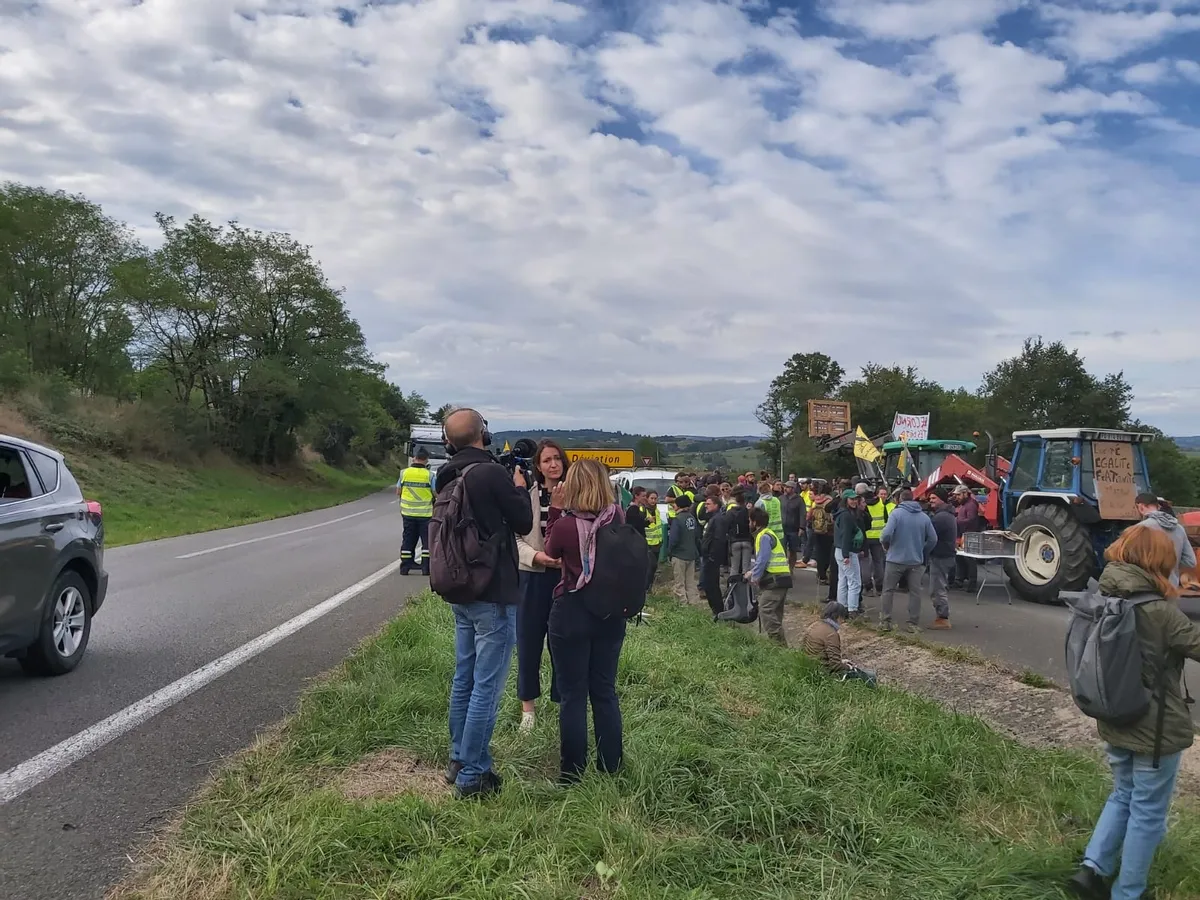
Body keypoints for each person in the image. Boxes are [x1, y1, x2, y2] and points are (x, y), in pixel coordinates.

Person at [1067, 526, 1200, 900]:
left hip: (1112, 716)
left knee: (1123, 793)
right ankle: (1128, 892)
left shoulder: (1103, 596)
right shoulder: (1160, 613)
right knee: (1148, 812)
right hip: (1155, 729)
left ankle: (1093, 870)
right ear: (1158, 561)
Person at [435, 409, 534, 798]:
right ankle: (474, 773)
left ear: (448, 442)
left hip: (461, 588)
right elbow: (523, 522)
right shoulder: (491, 473)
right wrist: (520, 487)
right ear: (484, 434)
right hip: (493, 590)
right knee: (486, 687)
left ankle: (458, 758)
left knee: (464, 678)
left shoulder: (446, 474)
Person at [542, 460, 631, 784]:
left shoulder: (566, 526)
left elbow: (551, 552)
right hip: (610, 613)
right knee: (605, 691)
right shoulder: (616, 518)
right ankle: (611, 766)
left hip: (572, 611)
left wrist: (555, 509)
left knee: (573, 695)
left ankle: (572, 772)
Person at [514, 439, 568, 733]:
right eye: (547, 460)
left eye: (557, 458)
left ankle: (562, 703)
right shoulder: (526, 496)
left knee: (563, 643)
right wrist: (535, 557)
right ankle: (528, 709)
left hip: (565, 578)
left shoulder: (576, 493)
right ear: (538, 465)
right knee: (529, 642)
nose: (553, 464)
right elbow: (515, 538)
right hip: (532, 577)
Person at [878, 488, 937, 633]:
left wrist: (886, 546)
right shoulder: (924, 517)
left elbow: (886, 535)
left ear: (900, 499)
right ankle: (913, 623)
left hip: (895, 559)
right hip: (915, 560)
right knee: (915, 592)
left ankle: (885, 621)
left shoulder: (896, 514)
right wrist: (923, 551)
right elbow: (933, 539)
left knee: (888, 590)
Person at [746, 507, 791, 645]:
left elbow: (762, 559)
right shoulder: (769, 534)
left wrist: (754, 577)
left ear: (755, 522)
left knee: (765, 609)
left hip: (775, 580)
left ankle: (779, 644)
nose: (748, 523)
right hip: (782, 579)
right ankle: (777, 647)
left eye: (750, 520)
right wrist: (753, 572)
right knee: (776, 613)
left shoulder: (764, 536)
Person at [1132, 492, 1196, 587]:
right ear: (1158, 506)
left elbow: (1130, 560)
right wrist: (1172, 565)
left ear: (1140, 507)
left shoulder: (1139, 529)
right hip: (1171, 587)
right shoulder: (1179, 528)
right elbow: (1191, 562)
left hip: (1147, 587)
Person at [802, 602, 875, 684]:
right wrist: (848, 667)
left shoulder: (814, 625)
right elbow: (835, 666)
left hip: (810, 668)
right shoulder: (831, 634)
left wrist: (841, 661)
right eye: (842, 618)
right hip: (824, 673)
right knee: (870, 676)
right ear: (838, 617)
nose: (843, 621)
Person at [397, 448, 434, 576]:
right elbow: (435, 493)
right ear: (426, 460)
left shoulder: (404, 473)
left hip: (407, 513)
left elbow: (398, 491)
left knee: (408, 539)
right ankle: (426, 568)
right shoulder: (430, 475)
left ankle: (405, 567)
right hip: (425, 514)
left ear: (414, 458)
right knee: (427, 541)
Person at [926, 488, 956, 629]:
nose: (930, 501)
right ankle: (942, 616)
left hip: (940, 556)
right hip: (945, 555)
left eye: (933, 498)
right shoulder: (947, 514)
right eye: (930, 498)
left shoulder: (941, 517)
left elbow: (929, 535)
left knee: (937, 589)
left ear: (941, 499)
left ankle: (943, 618)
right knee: (939, 587)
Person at [833, 489, 864, 616]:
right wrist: (846, 555)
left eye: (856, 499)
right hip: (847, 552)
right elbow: (846, 536)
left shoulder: (840, 514)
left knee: (843, 580)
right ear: (845, 500)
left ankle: (842, 608)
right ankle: (852, 610)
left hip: (839, 550)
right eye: (851, 499)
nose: (854, 501)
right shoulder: (847, 516)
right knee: (855, 582)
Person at [700, 495, 730, 618]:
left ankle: (718, 612)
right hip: (709, 556)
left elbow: (719, 539)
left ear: (716, 505)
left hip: (712, 558)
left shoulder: (718, 519)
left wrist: (712, 556)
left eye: (708, 504)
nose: (705, 506)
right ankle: (716, 611)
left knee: (711, 585)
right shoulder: (713, 517)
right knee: (709, 585)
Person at [668, 494, 701, 605]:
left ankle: (682, 604)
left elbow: (673, 539)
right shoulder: (692, 518)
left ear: (679, 505)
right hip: (691, 554)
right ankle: (693, 602)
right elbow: (696, 536)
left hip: (679, 555)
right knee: (690, 582)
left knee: (679, 582)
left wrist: (670, 552)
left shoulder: (677, 519)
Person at [863, 486, 895, 596]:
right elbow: (886, 520)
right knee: (878, 562)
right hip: (878, 537)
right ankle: (879, 587)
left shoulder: (863, 505)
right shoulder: (882, 505)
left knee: (865, 562)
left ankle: (868, 587)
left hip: (865, 537)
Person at [952, 485, 982, 591]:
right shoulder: (966, 504)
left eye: (958, 495)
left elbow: (971, 520)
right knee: (960, 558)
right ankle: (960, 580)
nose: (957, 497)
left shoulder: (971, 505)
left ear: (965, 494)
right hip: (964, 535)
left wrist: (956, 521)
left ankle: (972, 583)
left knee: (969, 559)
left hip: (969, 535)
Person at [808, 482, 835, 586]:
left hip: (817, 529)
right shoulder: (829, 501)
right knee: (827, 553)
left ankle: (821, 575)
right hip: (828, 531)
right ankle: (825, 574)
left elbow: (809, 515)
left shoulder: (816, 501)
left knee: (819, 552)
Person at [726, 486, 753, 583]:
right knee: (746, 568)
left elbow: (727, 526)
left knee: (734, 567)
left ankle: (733, 587)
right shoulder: (748, 511)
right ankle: (747, 587)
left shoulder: (730, 512)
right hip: (747, 541)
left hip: (734, 541)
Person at [780, 481, 806, 571]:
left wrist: (802, 527)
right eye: (785, 487)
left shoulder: (799, 500)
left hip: (794, 529)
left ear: (793, 489)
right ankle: (782, 569)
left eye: (788, 487)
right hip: (782, 528)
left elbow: (802, 514)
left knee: (793, 550)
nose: (785, 489)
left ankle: (791, 569)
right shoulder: (781, 498)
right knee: (782, 549)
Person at [643, 490, 663, 589]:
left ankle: (650, 586)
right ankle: (646, 588)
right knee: (650, 566)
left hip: (657, 543)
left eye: (655, 499)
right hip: (648, 543)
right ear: (647, 498)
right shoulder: (643, 511)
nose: (654, 501)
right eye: (651, 498)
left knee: (654, 567)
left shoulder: (657, 510)